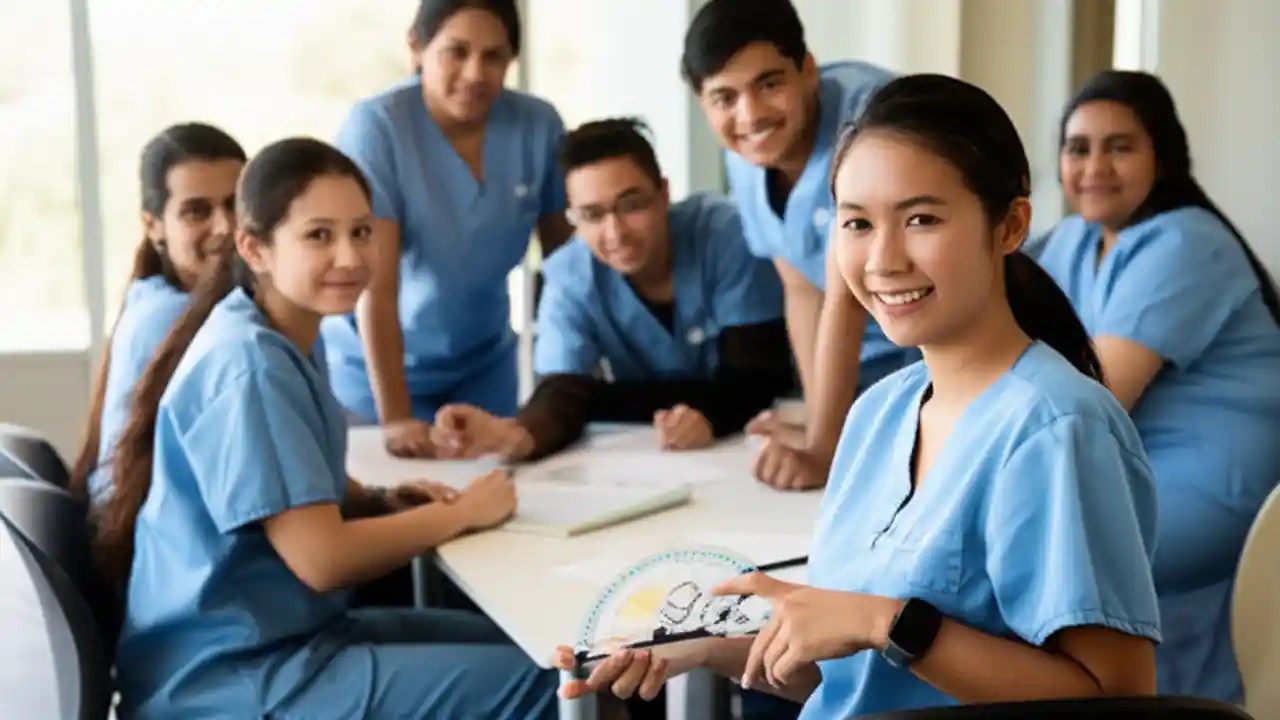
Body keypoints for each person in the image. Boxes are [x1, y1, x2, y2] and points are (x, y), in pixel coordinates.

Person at [555, 74, 1162, 717]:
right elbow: (854, 680)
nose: (883, 259)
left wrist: (887, 622)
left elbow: (1116, 701)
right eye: (857, 223)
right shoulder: (880, 412)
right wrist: (700, 649)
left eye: (921, 219)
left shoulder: (1058, 427)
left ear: (1009, 226)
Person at [96, 138, 557, 719]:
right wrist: (461, 513)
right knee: (556, 688)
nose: (350, 257)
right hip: (230, 680)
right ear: (254, 248)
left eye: (362, 232)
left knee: (539, 650)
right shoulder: (250, 363)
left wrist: (384, 499)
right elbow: (322, 559)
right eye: (319, 235)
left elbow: (287, 488)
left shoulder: (285, 334)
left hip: (284, 637)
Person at [1032, 69, 1280, 703]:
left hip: (1216, 484)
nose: (1094, 166)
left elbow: (1095, 400)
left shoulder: (1186, 241)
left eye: (1120, 146)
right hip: (1133, 464)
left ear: (1161, 155)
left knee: (1034, 548)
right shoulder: (1076, 240)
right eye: (1078, 147)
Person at [432, 118, 792, 461]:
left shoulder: (724, 234)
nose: (616, 232)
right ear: (573, 217)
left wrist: (709, 412)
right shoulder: (570, 275)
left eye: (632, 205)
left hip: (770, 435)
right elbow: (564, 390)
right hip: (660, 452)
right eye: (592, 215)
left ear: (664, 194)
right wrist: (516, 434)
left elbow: (756, 376)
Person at [681, 0, 918, 491]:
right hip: (869, 378)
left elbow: (844, 297)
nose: (751, 115)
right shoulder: (747, 159)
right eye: (724, 98)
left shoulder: (870, 120)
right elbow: (802, 290)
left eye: (769, 84)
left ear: (807, 70)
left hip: (935, 359)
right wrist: (818, 419)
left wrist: (825, 447)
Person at [324, 0, 574, 457]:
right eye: (456, 51)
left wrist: (566, 386)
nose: (475, 73)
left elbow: (566, 269)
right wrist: (397, 417)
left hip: (484, 366)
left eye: (494, 56)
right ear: (416, 47)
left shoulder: (538, 126)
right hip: (376, 377)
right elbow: (375, 288)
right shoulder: (378, 128)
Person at [68, 123, 246, 508]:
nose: (225, 227)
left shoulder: (160, 296)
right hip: (147, 547)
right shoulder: (170, 316)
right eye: (197, 211)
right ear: (154, 226)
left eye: (235, 205)